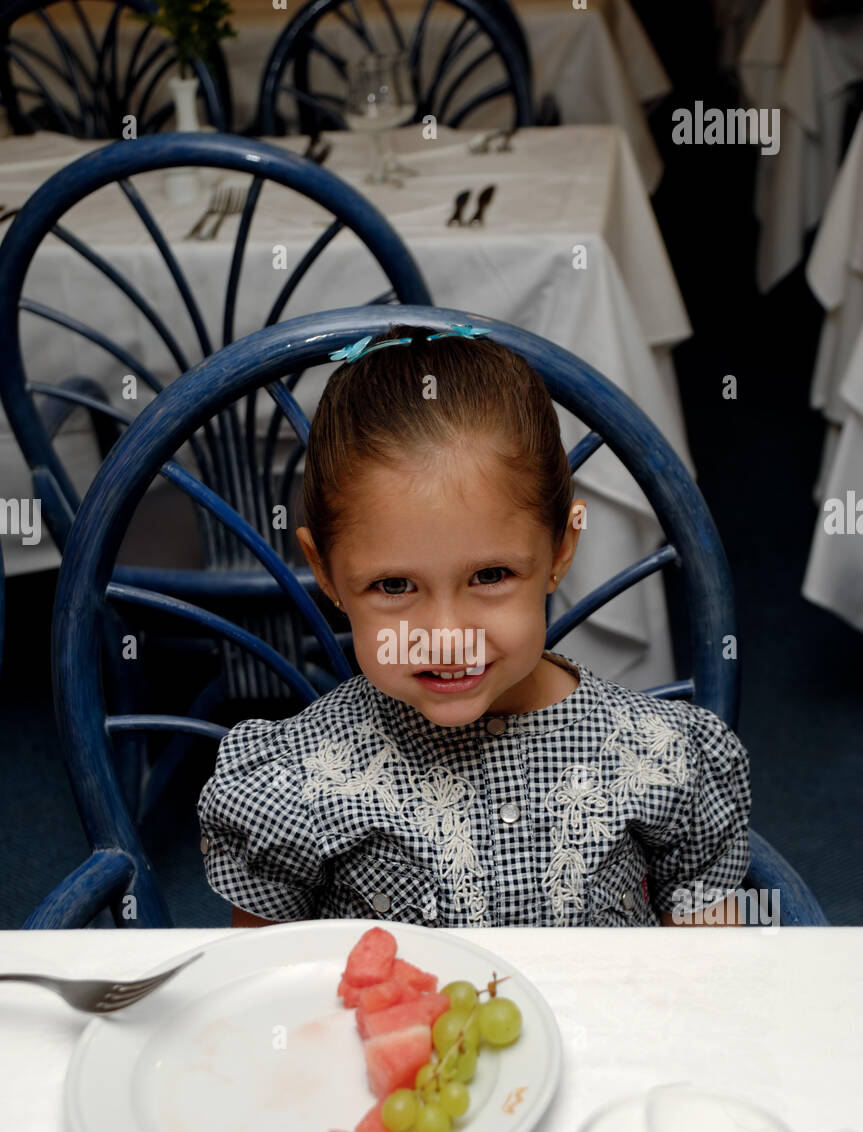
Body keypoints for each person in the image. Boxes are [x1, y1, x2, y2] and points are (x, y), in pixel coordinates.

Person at [197, 324, 751, 928]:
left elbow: (708, 978)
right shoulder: (294, 783)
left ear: (561, 548)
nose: (445, 634)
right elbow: (262, 985)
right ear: (326, 572)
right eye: (394, 586)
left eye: (490, 576)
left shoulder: (662, 757)